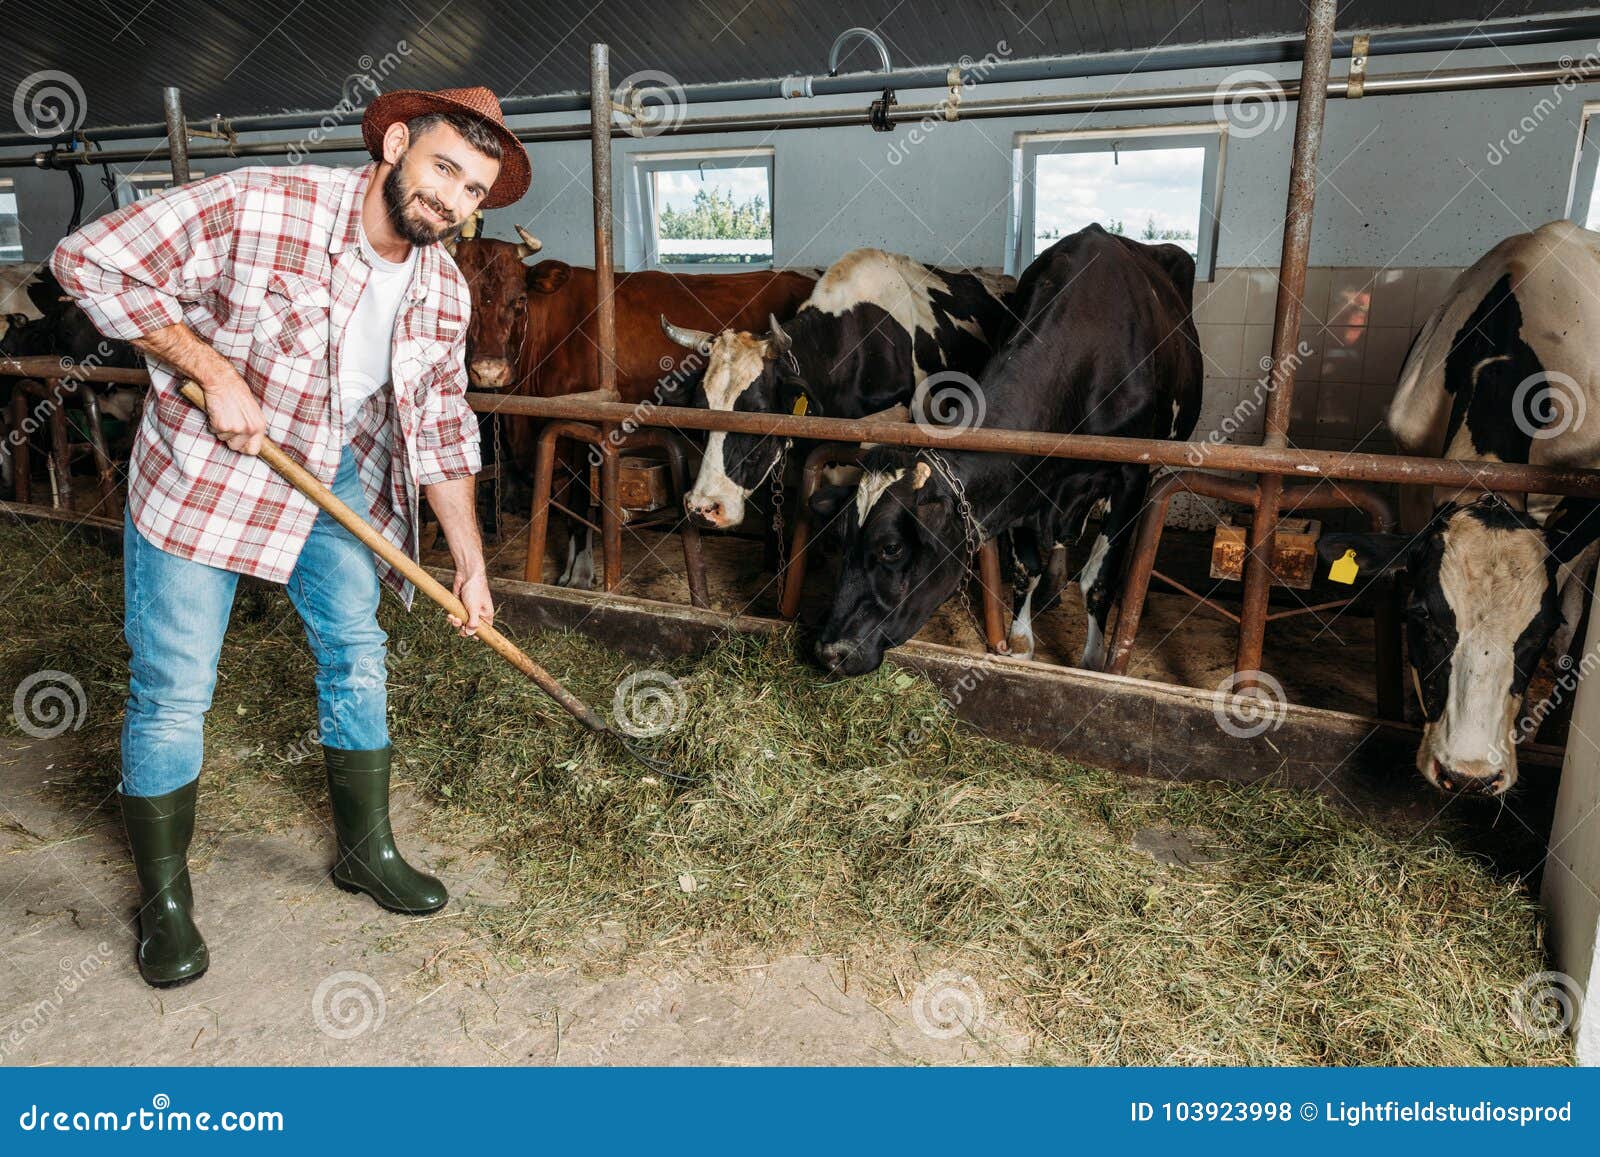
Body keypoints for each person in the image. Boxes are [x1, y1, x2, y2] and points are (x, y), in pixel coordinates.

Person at [51, 86, 532, 987]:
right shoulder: (262, 202)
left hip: (330, 469)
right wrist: (204, 365)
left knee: (357, 646)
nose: (453, 201)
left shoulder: (439, 285)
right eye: (444, 170)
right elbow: (87, 260)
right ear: (394, 143)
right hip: (204, 472)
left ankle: (365, 849)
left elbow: (437, 423)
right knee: (174, 689)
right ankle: (162, 906)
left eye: (474, 190)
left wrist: (470, 565)